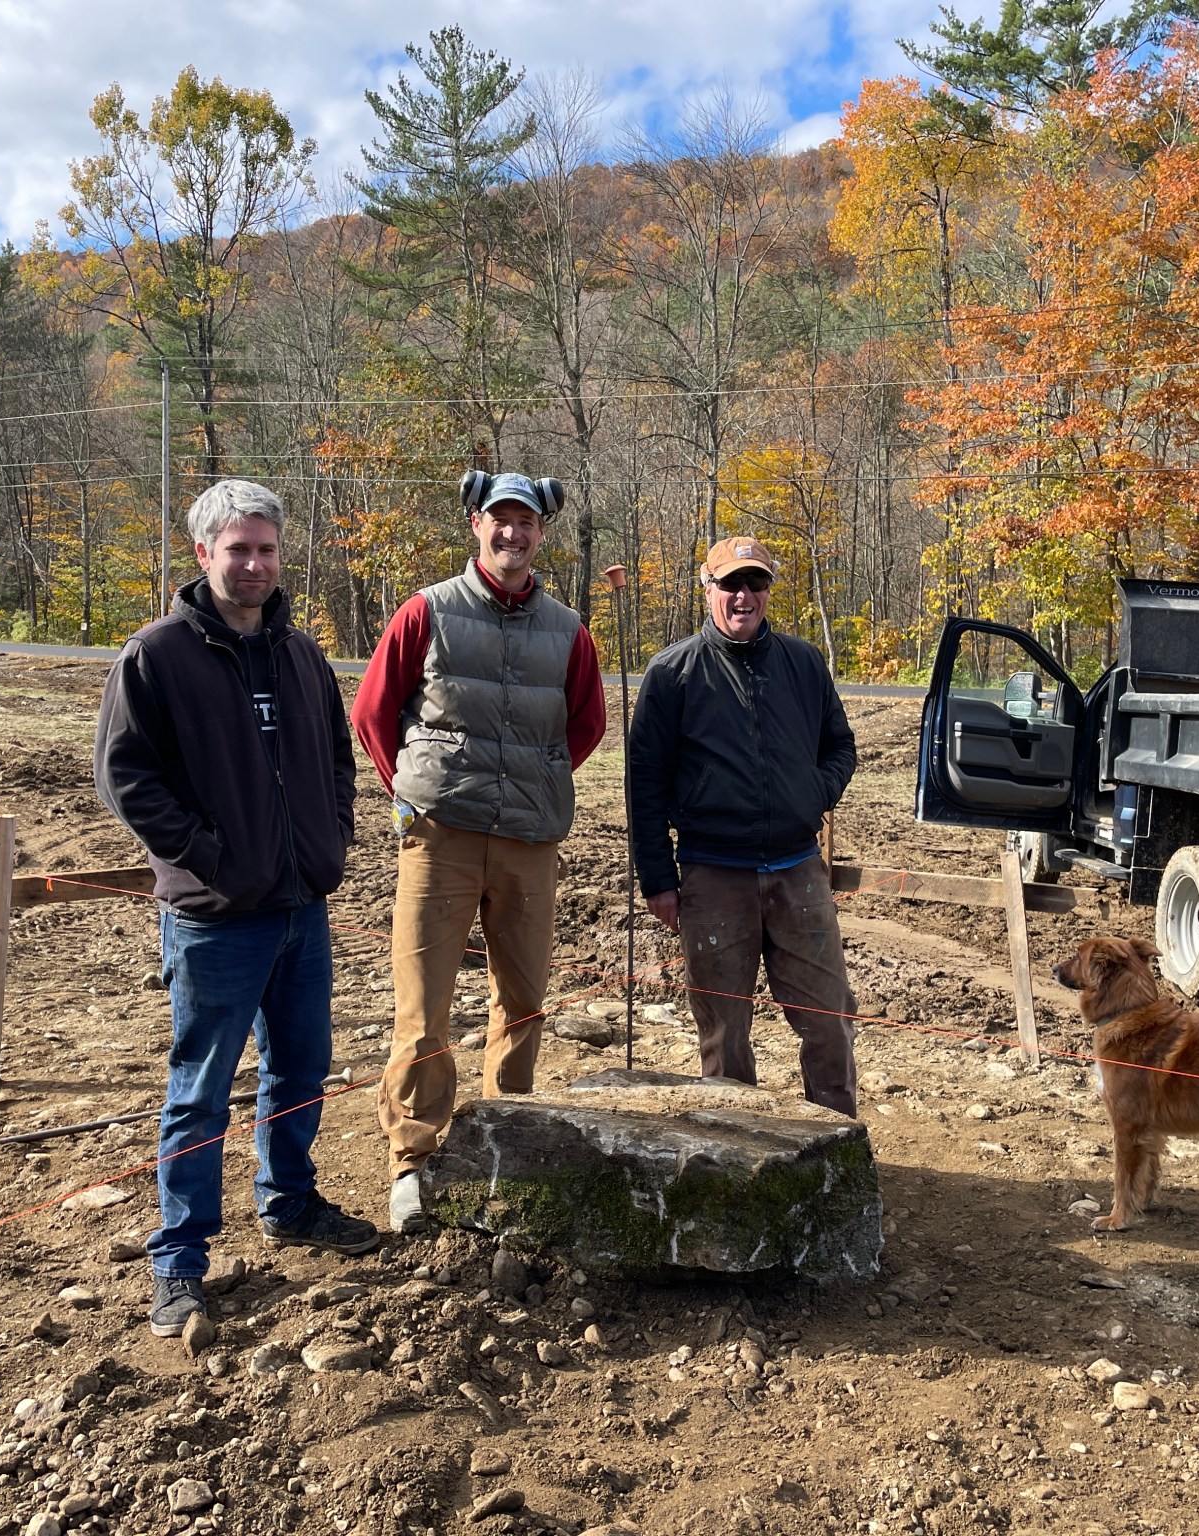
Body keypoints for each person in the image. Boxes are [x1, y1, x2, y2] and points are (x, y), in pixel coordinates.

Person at [95, 479, 377, 1340]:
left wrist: (329, 837)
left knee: (300, 1069)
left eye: (265, 549)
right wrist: (213, 856)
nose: (253, 565)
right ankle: (179, 1260)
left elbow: (335, 754)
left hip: (302, 906)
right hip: (216, 918)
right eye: (237, 550)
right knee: (201, 1091)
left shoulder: (300, 655)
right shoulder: (157, 657)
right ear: (203, 554)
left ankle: (289, 1201)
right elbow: (126, 778)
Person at [352, 470, 607, 1234]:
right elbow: (372, 713)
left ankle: (507, 1139)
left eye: (525, 523)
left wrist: (533, 781)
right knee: (424, 1003)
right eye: (500, 519)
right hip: (441, 839)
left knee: (523, 1000)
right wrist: (417, 790)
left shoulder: (569, 630)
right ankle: (414, 1158)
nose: (512, 534)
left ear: (541, 532)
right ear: (475, 524)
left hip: (530, 840)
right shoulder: (426, 611)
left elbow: (586, 725)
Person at [625, 534, 861, 1117]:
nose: (743, 595)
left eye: (755, 583)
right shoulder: (672, 673)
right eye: (730, 583)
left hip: (797, 868)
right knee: (724, 1032)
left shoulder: (803, 663)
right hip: (712, 873)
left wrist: (813, 793)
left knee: (829, 1018)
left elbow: (840, 745)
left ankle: (836, 1142)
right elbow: (644, 784)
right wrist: (657, 876)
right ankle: (735, 1151)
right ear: (707, 590)